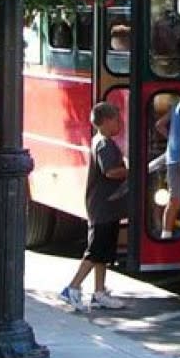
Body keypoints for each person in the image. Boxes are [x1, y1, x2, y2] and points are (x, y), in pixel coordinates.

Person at [59, 101, 128, 312]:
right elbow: (109, 172)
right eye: (117, 119)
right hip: (103, 207)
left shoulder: (102, 141)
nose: (121, 123)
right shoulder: (104, 144)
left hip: (107, 207)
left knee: (104, 253)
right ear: (106, 121)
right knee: (95, 251)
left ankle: (99, 293)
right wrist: (131, 170)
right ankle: (72, 287)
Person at [148, 98, 180, 239]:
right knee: (178, 199)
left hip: (172, 156)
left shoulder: (176, 105)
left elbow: (159, 125)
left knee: (174, 199)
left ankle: (166, 235)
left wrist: (172, 140)